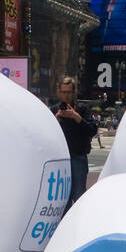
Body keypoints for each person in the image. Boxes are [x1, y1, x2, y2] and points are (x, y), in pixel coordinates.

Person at [52, 76, 96, 209]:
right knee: (61, 199)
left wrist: (77, 117)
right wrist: (55, 120)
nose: (66, 96)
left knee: (79, 196)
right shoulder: (54, 110)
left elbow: (92, 130)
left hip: (78, 157)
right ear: (59, 92)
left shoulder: (83, 109)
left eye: (69, 92)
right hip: (59, 160)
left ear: (74, 92)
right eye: (64, 92)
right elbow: (43, 132)